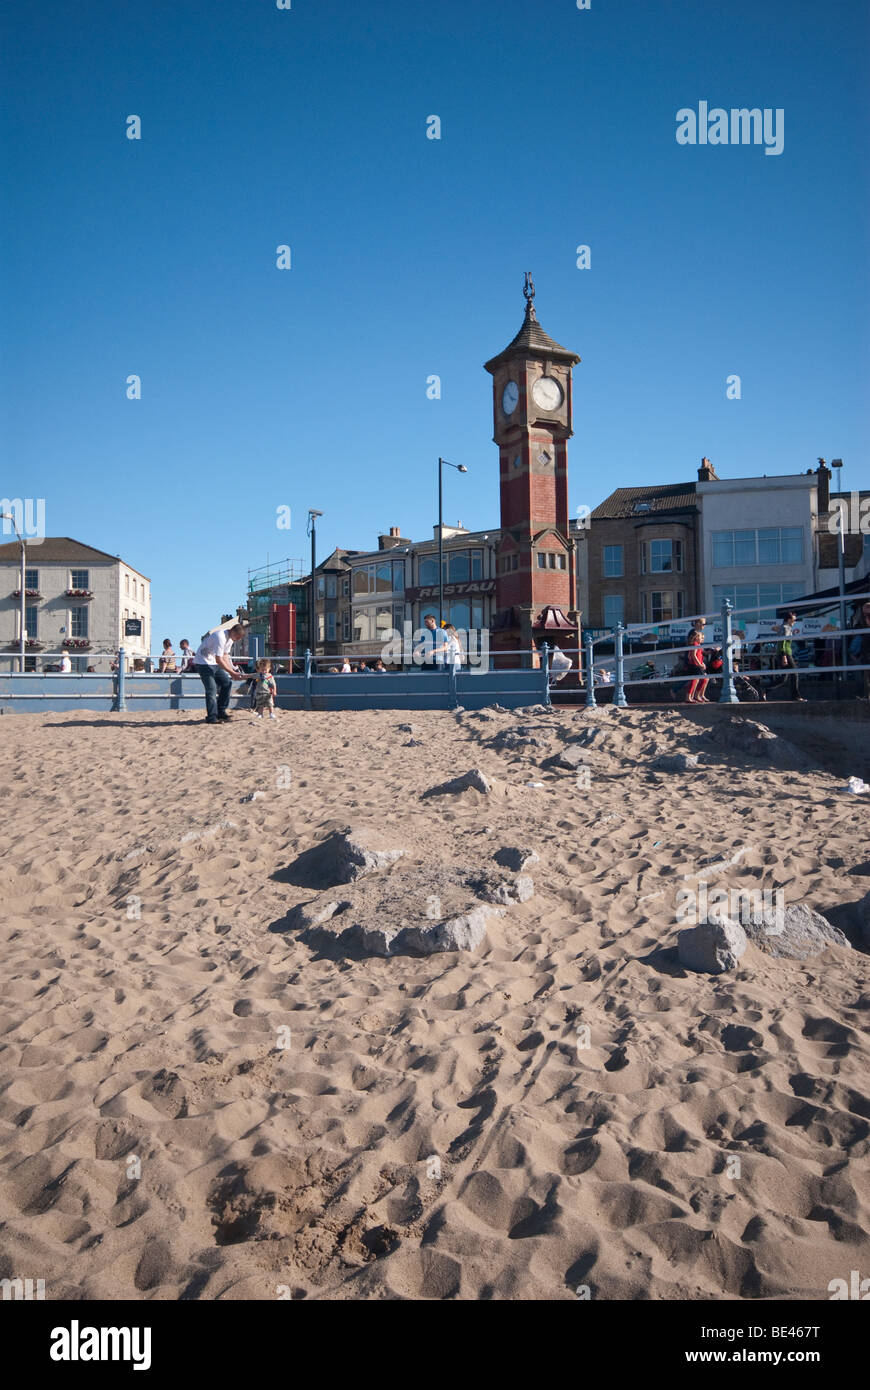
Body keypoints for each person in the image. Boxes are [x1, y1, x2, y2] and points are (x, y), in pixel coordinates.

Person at [193, 622, 246, 724]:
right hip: (203, 662)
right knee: (211, 689)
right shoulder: (220, 636)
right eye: (237, 637)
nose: (237, 640)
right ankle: (212, 717)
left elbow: (225, 655)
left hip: (213, 662)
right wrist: (232, 673)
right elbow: (219, 659)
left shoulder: (230, 639)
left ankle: (221, 711)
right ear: (233, 632)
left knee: (227, 683)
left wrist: (232, 671)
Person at [777, 611, 805, 701]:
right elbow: (782, 642)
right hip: (785, 654)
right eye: (794, 620)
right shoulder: (786, 628)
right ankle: (796, 696)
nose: (795, 622)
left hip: (783, 653)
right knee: (794, 673)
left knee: (783, 679)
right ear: (789, 620)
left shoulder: (783, 627)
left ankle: (765, 689)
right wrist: (784, 656)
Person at [848, 598, 870, 698]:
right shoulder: (863, 632)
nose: (866, 618)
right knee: (865, 677)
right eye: (865, 615)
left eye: (868, 615)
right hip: (865, 655)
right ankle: (866, 696)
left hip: (864, 654)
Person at [685, 631, 709, 703]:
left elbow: (699, 656)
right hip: (695, 665)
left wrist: (702, 663)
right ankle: (690, 696)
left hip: (697, 664)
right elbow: (693, 655)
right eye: (701, 637)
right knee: (695, 680)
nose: (702, 639)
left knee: (703, 679)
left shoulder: (698, 645)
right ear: (696, 637)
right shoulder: (695, 644)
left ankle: (695, 695)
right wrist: (700, 664)